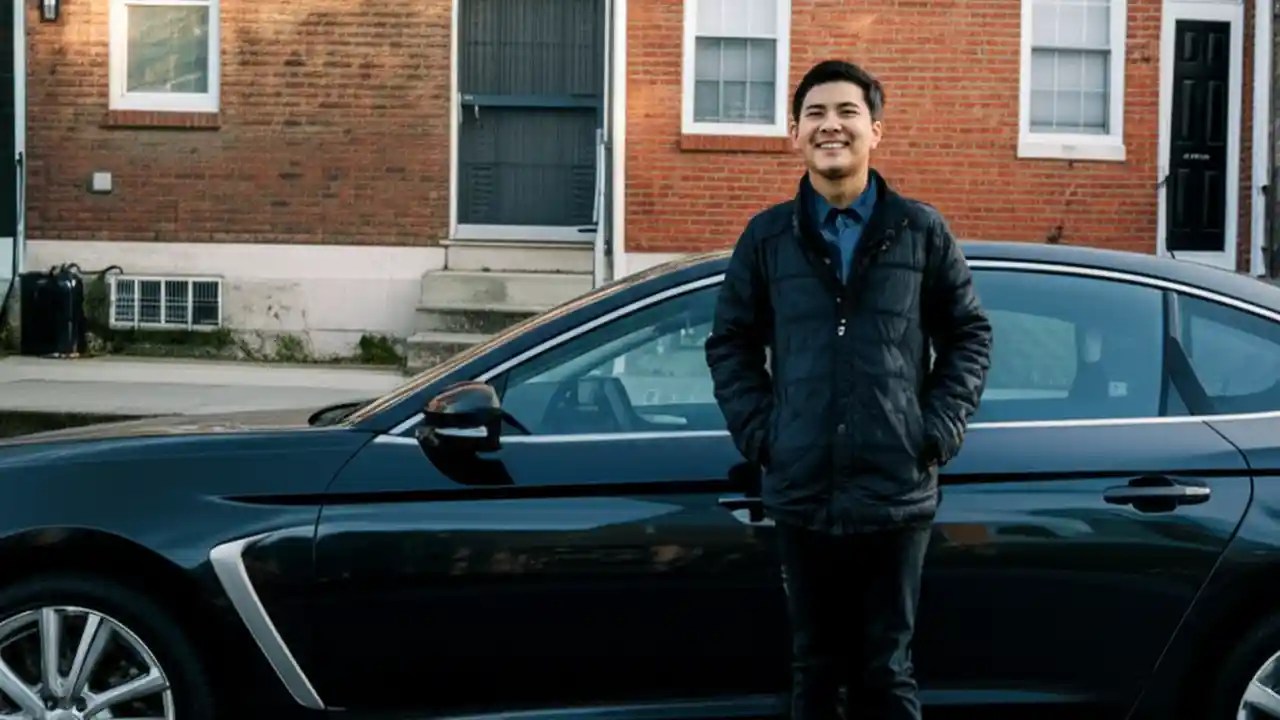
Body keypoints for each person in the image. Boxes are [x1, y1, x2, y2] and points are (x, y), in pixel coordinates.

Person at [704, 59, 993, 720]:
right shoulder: (767, 237)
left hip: (894, 493)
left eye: (846, 113)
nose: (830, 125)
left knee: (886, 676)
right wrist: (762, 434)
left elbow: (969, 334)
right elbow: (731, 343)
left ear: (875, 131)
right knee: (814, 673)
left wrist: (935, 430)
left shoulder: (920, 231)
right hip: (801, 491)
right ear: (795, 133)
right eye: (815, 114)